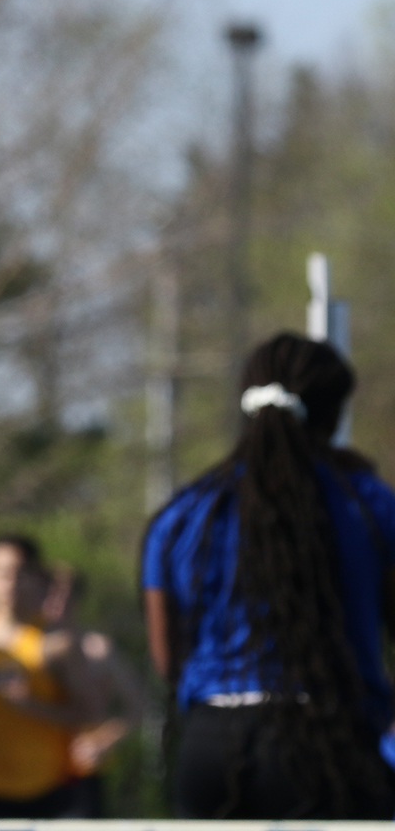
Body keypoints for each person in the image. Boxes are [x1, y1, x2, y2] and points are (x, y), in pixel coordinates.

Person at [142, 333, 395, 818]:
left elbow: (166, 657)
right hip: (327, 739)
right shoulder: (367, 503)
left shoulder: (182, 514)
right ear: (331, 415)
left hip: (208, 747)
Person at [0, 535, 96, 818]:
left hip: (44, 790)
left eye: (19, 572)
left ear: (37, 579)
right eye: (0, 573)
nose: (9, 582)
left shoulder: (57, 642)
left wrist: (29, 705)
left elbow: (89, 713)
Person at [39, 564, 144, 818]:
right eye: (53, 593)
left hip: (80, 774)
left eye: (68, 595)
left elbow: (139, 706)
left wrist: (104, 740)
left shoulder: (96, 647)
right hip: (31, 769)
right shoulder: (25, 644)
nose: (60, 602)